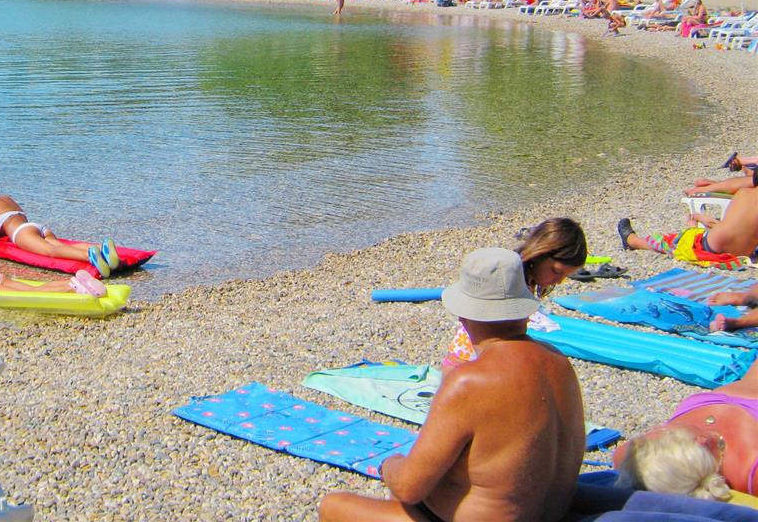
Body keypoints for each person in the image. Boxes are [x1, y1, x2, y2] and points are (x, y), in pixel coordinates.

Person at [318, 248, 585, 522]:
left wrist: (389, 465)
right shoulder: (559, 363)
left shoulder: (471, 382)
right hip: (552, 515)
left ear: (464, 316)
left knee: (333, 505)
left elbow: (409, 486)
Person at [444, 218, 587, 368]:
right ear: (540, 252)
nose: (558, 281)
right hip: (471, 353)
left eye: (565, 276)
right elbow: (494, 329)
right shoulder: (511, 278)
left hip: (476, 348)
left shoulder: (526, 276)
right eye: (556, 271)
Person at [615, 359, 758, 499]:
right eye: (665, 432)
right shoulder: (750, 470)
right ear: (702, 441)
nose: (657, 429)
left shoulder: (634, 463)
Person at [0, 177, 120, 277]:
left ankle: (90, 256)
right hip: (37, 226)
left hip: (20, 232)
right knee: (59, 246)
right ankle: (99, 247)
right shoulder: (4, 198)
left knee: (50, 252)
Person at [620, 181, 758, 264]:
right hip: (742, 254)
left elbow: (727, 227)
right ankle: (694, 232)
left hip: (713, 245)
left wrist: (701, 223)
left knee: (672, 242)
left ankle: (633, 241)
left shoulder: (743, 193)